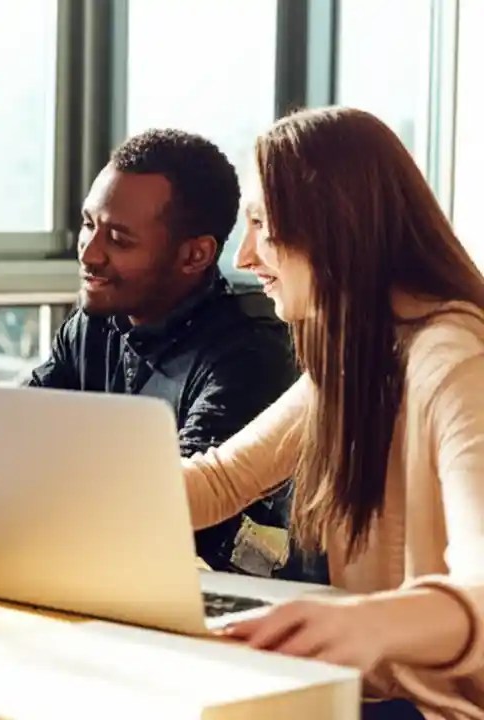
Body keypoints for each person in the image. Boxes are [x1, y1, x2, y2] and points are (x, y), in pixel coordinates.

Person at [0, 129, 302, 576]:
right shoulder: (94, 325)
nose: (90, 253)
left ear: (194, 256)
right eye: (89, 225)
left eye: (119, 239)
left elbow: (176, 507)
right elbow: (20, 427)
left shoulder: (249, 354)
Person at [188, 107, 484, 720]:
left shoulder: (455, 365)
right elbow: (220, 481)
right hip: (365, 696)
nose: (244, 256)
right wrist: (37, 503)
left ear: (330, 228)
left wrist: (369, 622)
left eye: (261, 225)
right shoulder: (358, 354)